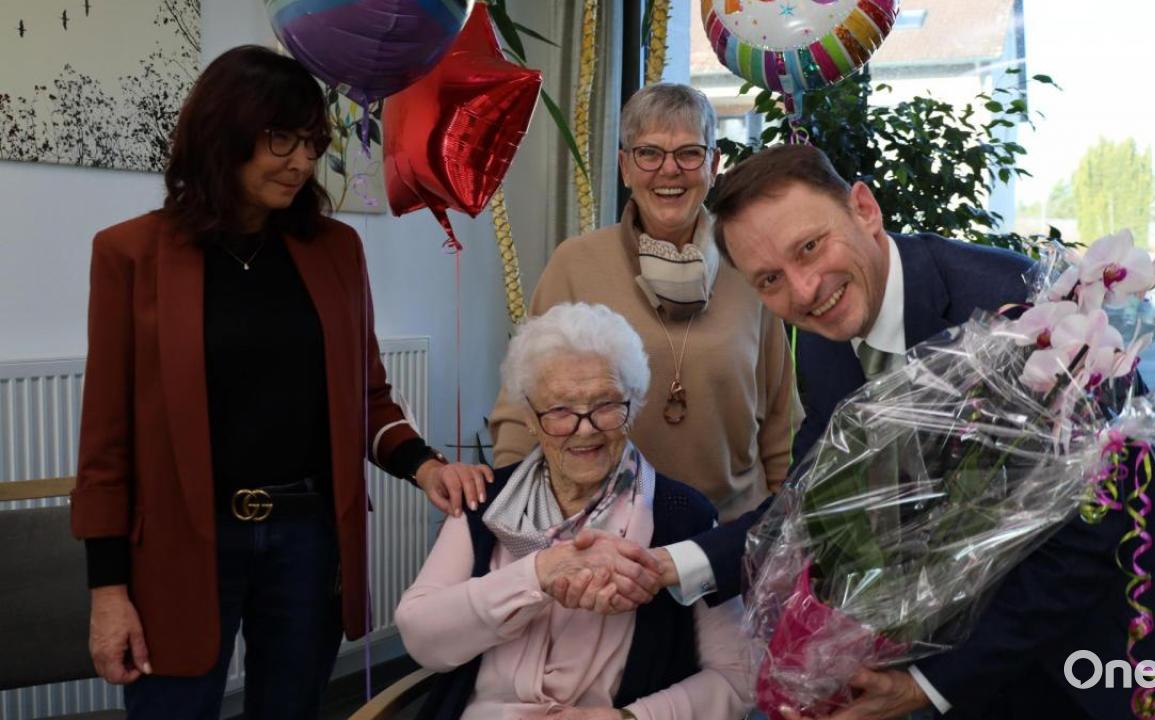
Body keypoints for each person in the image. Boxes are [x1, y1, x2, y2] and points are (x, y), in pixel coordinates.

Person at [568, 144, 1155, 719]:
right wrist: (668, 565)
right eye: (769, 280)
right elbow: (816, 500)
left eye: (811, 248)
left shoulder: (1019, 314)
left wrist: (931, 686)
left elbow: (1090, 534)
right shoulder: (819, 341)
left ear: (865, 210)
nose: (803, 290)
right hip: (1013, 657)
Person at [70, 45, 487, 719]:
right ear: (223, 136)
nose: (301, 163)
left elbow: (366, 397)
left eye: (311, 144)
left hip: (306, 539)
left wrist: (425, 465)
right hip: (181, 544)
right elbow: (105, 442)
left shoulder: (335, 252)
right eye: (281, 140)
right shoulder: (128, 256)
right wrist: (107, 591)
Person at [396, 302, 752, 720]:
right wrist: (541, 571)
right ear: (530, 417)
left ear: (633, 406)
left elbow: (738, 678)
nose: (585, 428)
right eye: (560, 410)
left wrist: (633, 718)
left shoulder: (682, 516)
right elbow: (420, 636)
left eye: (605, 405)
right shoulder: (484, 500)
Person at [488, 83, 801, 538]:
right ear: (625, 167)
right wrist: (520, 523)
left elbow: (780, 420)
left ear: (713, 166)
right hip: (601, 538)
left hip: (730, 530)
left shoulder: (749, 265)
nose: (669, 170)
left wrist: (776, 527)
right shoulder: (575, 264)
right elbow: (522, 408)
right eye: (649, 153)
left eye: (689, 154)